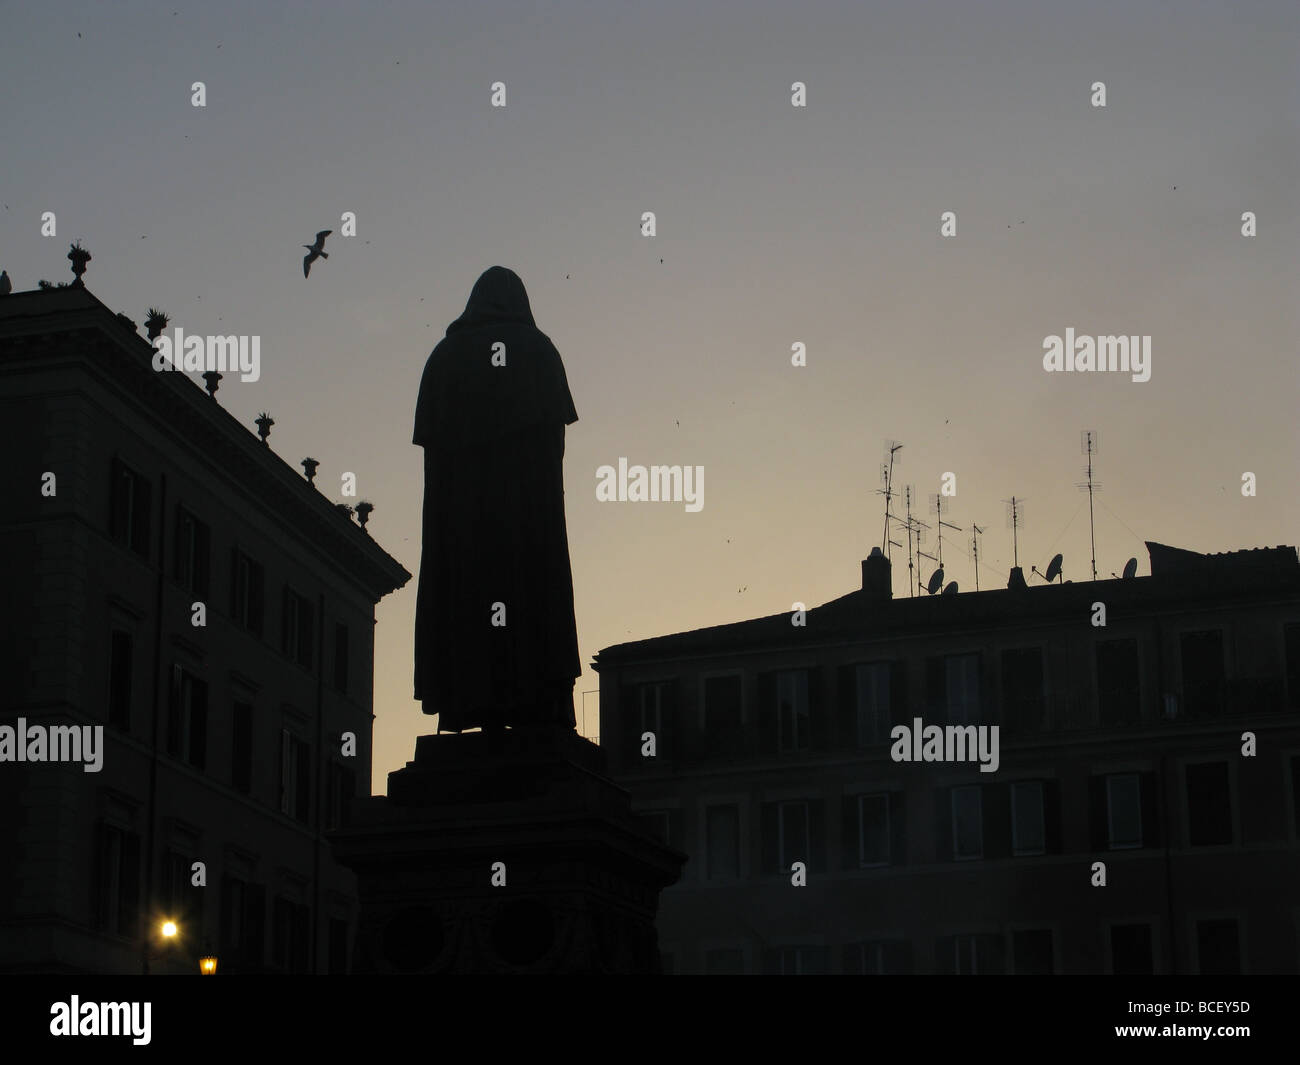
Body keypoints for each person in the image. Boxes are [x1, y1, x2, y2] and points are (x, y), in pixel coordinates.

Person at [412, 266, 580, 732]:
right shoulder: (539, 351)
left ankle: (466, 699)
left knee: (466, 601)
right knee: (531, 598)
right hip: (527, 525)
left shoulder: (444, 358)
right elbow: (552, 448)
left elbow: (433, 458)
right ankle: (536, 698)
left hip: (461, 531)